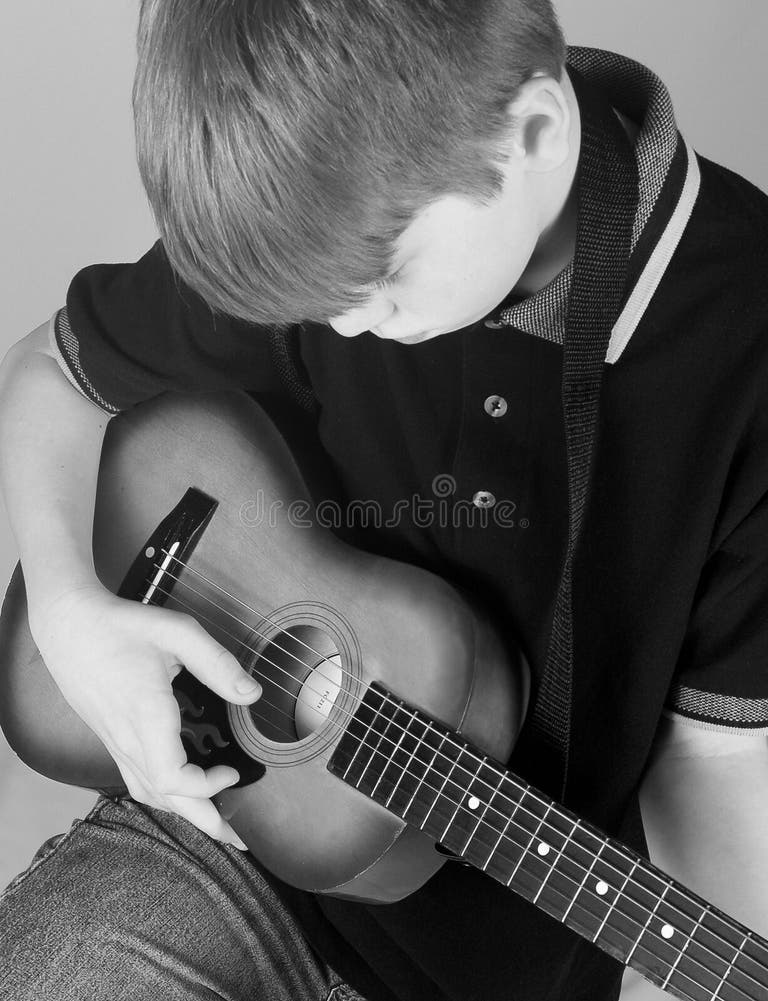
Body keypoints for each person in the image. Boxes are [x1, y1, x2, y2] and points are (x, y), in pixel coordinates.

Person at [1, 2, 768, 999]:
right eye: (314, 302)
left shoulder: (744, 341)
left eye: (382, 282)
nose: (346, 321)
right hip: (225, 831)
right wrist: (70, 610)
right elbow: (49, 377)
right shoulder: (319, 222)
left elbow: (719, 775)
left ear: (532, 134)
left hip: (539, 944)